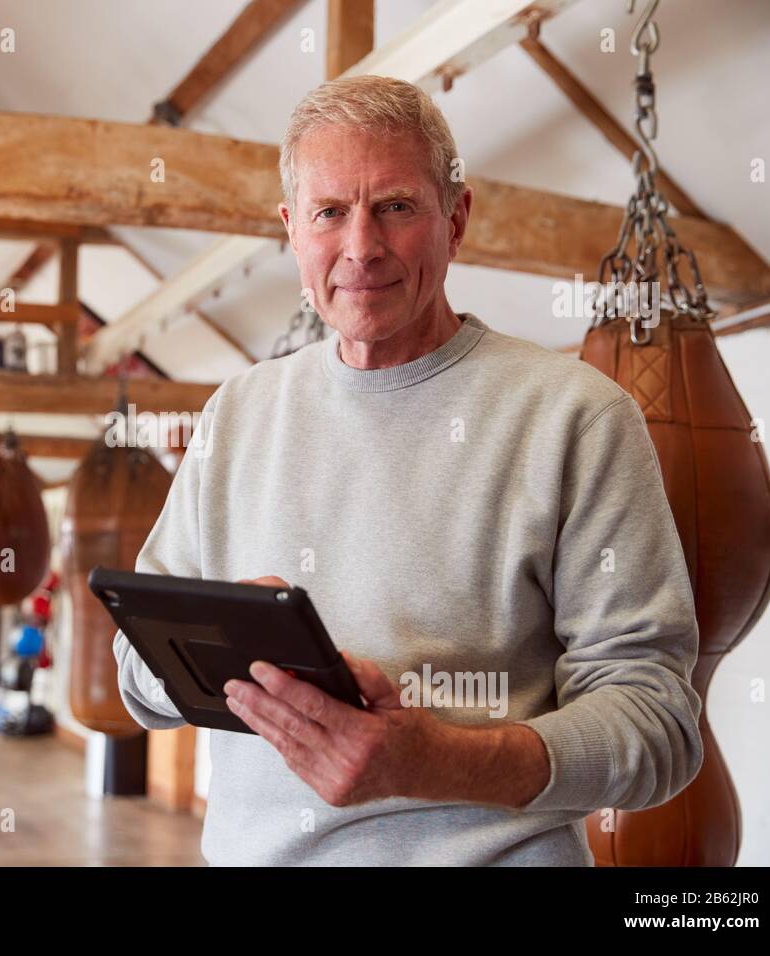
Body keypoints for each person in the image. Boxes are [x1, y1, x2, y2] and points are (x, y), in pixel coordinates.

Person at [112, 75, 702, 866]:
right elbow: (135, 679)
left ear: (455, 219)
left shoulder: (576, 417)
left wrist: (435, 760)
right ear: (292, 230)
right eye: (329, 213)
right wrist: (208, 651)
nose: (361, 248)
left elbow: (656, 723)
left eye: (395, 206)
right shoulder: (236, 415)